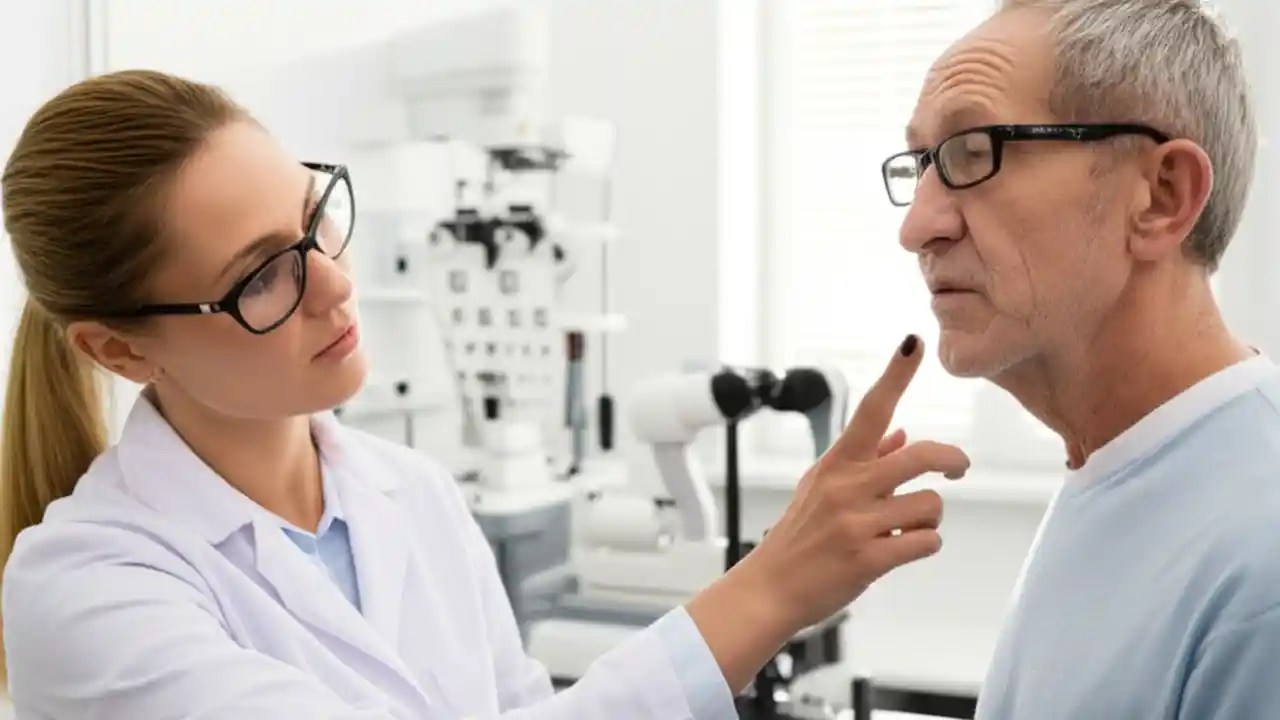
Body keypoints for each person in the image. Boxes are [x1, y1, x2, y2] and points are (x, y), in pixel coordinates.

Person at [0, 70, 970, 718]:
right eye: (262, 276)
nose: (335, 282)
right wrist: (766, 589)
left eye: (314, 218)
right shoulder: (85, 594)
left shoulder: (409, 492)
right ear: (119, 349)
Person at [885, 0, 1280, 717]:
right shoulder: (1120, 468)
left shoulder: (1263, 561)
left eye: (975, 152)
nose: (918, 227)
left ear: (1162, 197)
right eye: (921, 165)